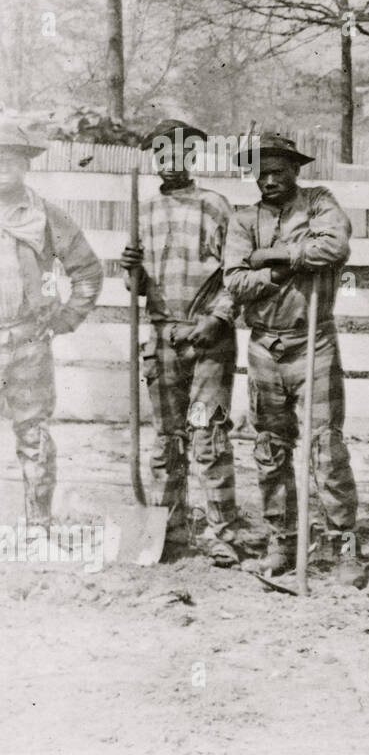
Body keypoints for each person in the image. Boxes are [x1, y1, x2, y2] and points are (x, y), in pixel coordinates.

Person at [223, 133, 363, 585]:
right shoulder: (244, 219)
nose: (268, 181)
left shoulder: (319, 203)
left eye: (277, 172)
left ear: (295, 171)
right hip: (265, 344)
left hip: (314, 341)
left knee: (325, 449)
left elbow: (335, 247)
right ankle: (283, 538)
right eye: (261, 173)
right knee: (269, 448)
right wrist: (285, 269)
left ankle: (343, 542)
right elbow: (235, 281)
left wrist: (277, 254)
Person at [120, 120, 249, 564]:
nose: (170, 161)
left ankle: (222, 534)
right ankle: (167, 530)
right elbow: (138, 288)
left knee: (207, 434)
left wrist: (217, 319)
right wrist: (131, 270)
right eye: (162, 153)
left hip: (207, 341)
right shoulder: (144, 210)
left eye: (179, 153)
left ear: (193, 157)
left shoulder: (215, 206)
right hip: (162, 338)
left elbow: (236, 272)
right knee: (167, 440)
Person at [0, 124, 102, 530]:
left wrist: (63, 320)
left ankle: (37, 523)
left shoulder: (44, 216)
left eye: (12, 157)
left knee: (33, 433)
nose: (3, 165)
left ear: (26, 164)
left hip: (27, 343)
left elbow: (88, 271)